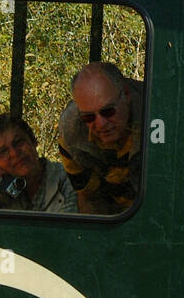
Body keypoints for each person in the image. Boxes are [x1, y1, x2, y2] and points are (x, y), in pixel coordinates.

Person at [56, 62, 144, 214]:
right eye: (89, 117)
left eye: (108, 111)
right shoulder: (71, 135)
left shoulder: (157, 115)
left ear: (127, 95)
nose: (101, 124)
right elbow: (89, 198)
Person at [0, 113, 78, 214]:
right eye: (3, 152)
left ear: (33, 141)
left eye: (18, 142)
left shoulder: (68, 179)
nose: (14, 153)